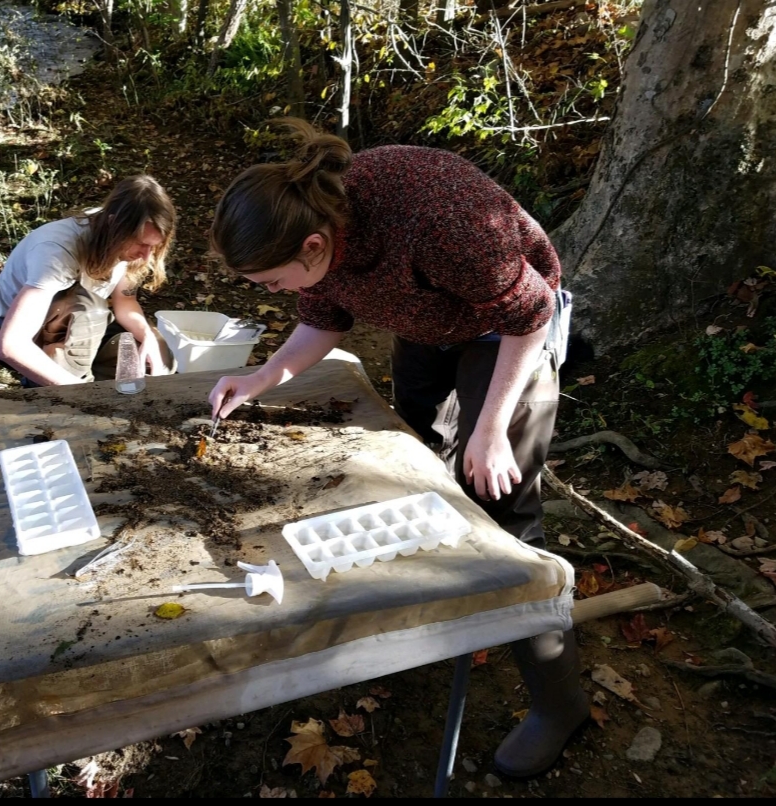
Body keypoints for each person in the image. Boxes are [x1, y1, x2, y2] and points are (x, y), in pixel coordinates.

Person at [207, 120, 585, 778]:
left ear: (315, 244)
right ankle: (438, 620)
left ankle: (558, 705)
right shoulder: (310, 228)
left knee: (503, 507)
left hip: (506, 334)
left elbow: (530, 312)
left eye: (270, 281)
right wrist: (262, 376)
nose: (271, 292)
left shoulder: (440, 220)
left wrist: (490, 426)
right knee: (416, 474)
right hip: (427, 323)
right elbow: (321, 314)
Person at [0, 175, 176, 387]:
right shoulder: (56, 250)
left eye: (153, 247)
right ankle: (51, 393)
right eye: (141, 244)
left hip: (84, 327)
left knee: (154, 355)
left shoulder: (124, 237)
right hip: (13, 332)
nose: (146, 256)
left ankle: (98, 388)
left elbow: (125, 302)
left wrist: (148, 336)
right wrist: (77, 392)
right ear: (114, 226)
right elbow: (11, 345)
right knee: (88, 310)